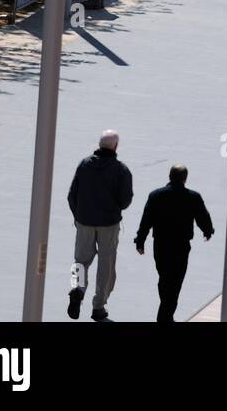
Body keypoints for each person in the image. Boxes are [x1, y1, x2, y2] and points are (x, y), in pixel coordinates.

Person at [67, 130, 134, 322]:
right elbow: (125, 200)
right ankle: (99, 306)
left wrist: (78, 216)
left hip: (84, 221)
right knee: (106, 264)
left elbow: (72, 194)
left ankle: (77, 289)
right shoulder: (121, 170)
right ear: (116, 147)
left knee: (80, 261)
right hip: (108, 223)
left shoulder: (84, 165)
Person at [134, 164, 214, 322]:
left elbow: (146, 220)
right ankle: (165, 316)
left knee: (164, 278)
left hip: (161, 245)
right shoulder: (193, 197)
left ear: (169, 176)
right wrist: (207, 230)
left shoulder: (156, 195)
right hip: (181, 246)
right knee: (175, 281)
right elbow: (202, 217)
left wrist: (140, 240)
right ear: (185, 178)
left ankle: (165, 314)